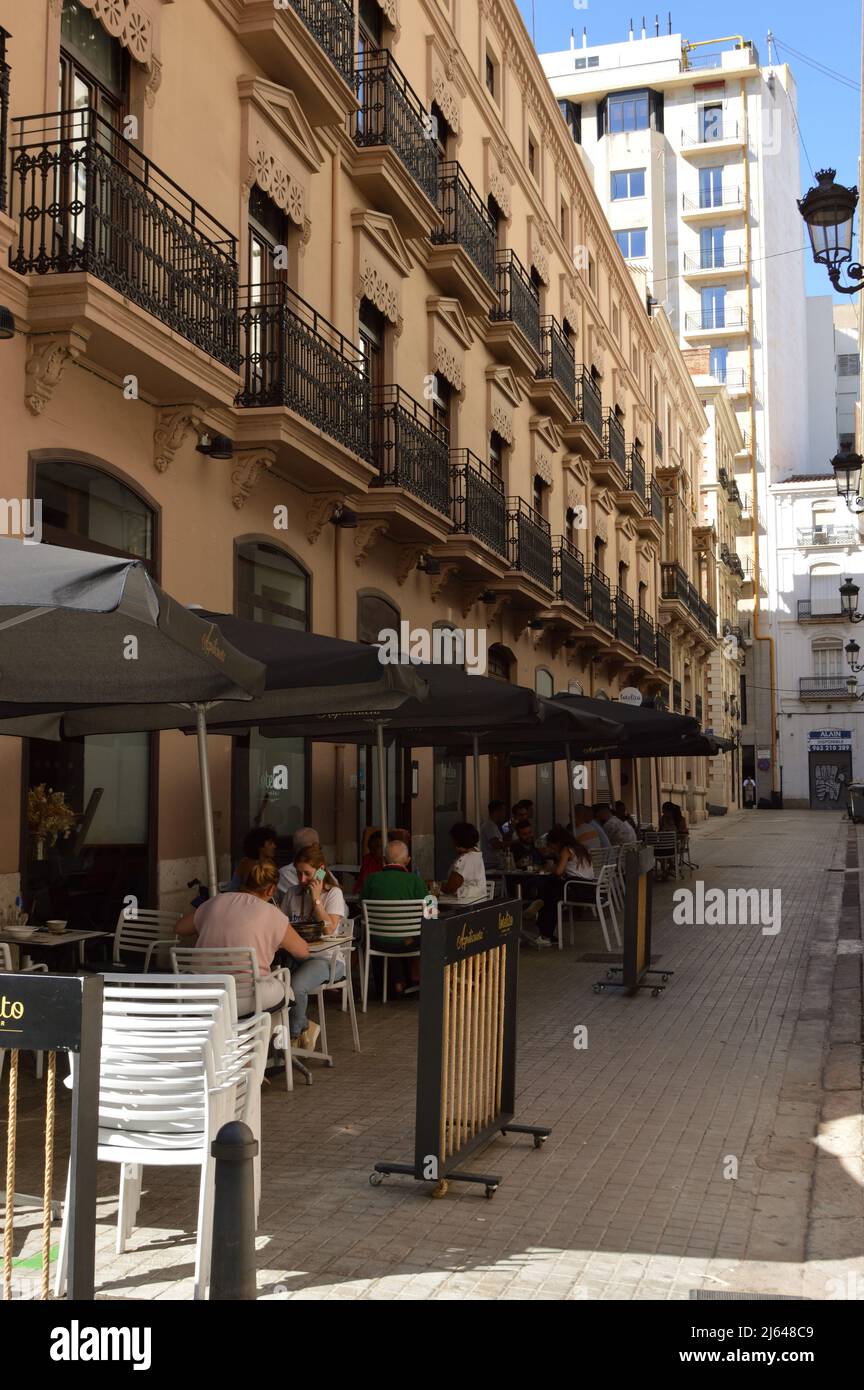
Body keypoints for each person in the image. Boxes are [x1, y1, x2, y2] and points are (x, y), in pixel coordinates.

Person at [176, 861, 309, 1012]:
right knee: (287, 992)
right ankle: (270, 1034)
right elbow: (303, 951)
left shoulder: (215, 901)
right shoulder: (272, 913)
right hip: (244, 999)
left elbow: (180, 928)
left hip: (199, 994)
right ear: (271, 889)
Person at [280, 847, 348, 1051]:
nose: (301, 879)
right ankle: (303, 1027)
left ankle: (293, 1038)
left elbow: (329, 928)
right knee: (275, 985)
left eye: (307, 873)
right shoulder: (292, 893)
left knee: (295, 987)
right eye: (298, 873)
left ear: (320, 870)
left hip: (327, 958)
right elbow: (282, 925)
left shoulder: (333, 894)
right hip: (296, 954)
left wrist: (316, 899)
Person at [361, 839, 429, 994]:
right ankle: (418, 980)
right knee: (427, 934)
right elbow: (431, 910)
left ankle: (397, 982)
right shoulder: (416, 881)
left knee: (392, 934)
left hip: (377, 941)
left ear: (384, 859)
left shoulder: (371, 879)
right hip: (408, 943)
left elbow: (361, 903)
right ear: (407, 860)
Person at [528, 827, 595, 943]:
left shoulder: (566, 850)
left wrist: (549, 867)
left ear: (558, 842)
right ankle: (545, 930)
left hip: (577, 888)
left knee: (550, 893)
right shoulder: (580, 848)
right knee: (551, 891)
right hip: (589, 888)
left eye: (552, 845)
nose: (552, 849)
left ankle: (544, 932)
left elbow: (559, 871)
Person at [442, 822, 487, 903]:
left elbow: (451, 887)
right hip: (480, 902)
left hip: (466, 905)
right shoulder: (477, 853)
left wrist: (437, 887)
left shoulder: (465, 860)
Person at [226, 825, 277, 892]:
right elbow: (250, 888)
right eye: (270, 843)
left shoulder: (269, 863)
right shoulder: (247, 862)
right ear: (260, 845)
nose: (274, 846)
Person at [277, 826, 320, 898]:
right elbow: (308, 893)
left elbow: (330, 885)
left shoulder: (320, 870)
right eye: (299, 873)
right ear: (315, 846)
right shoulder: (286, 873)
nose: (303, 880)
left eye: (307, 873)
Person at [479, 800, 508, 870]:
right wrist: (515, 842)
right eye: (503, 811)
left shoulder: (494, 826)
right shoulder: (489, 826)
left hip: (494, 864)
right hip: (490, 865)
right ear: (497, 811)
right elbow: (496, 844)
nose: (505, 814)